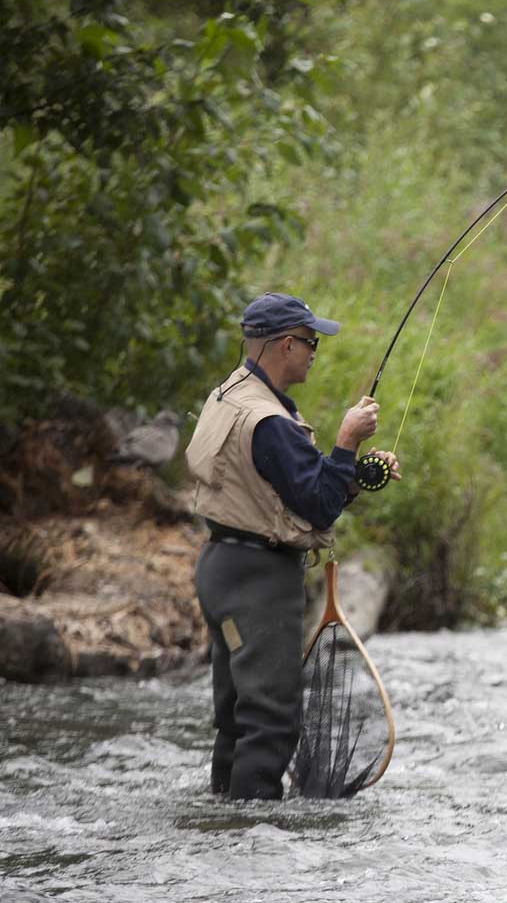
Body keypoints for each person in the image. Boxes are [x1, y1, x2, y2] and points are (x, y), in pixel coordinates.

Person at [185, 292, 402, 800]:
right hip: (258, 582)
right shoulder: (273, 424)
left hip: (221, 568)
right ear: (285, 345)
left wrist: (351, 475)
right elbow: (318, 508)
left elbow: (288, 492)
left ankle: (221, 818)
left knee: (238, 717)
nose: (313, 352)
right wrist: (347, 442)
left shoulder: (230, 395)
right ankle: (249, 836)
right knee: (271, 722)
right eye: (310, 343)